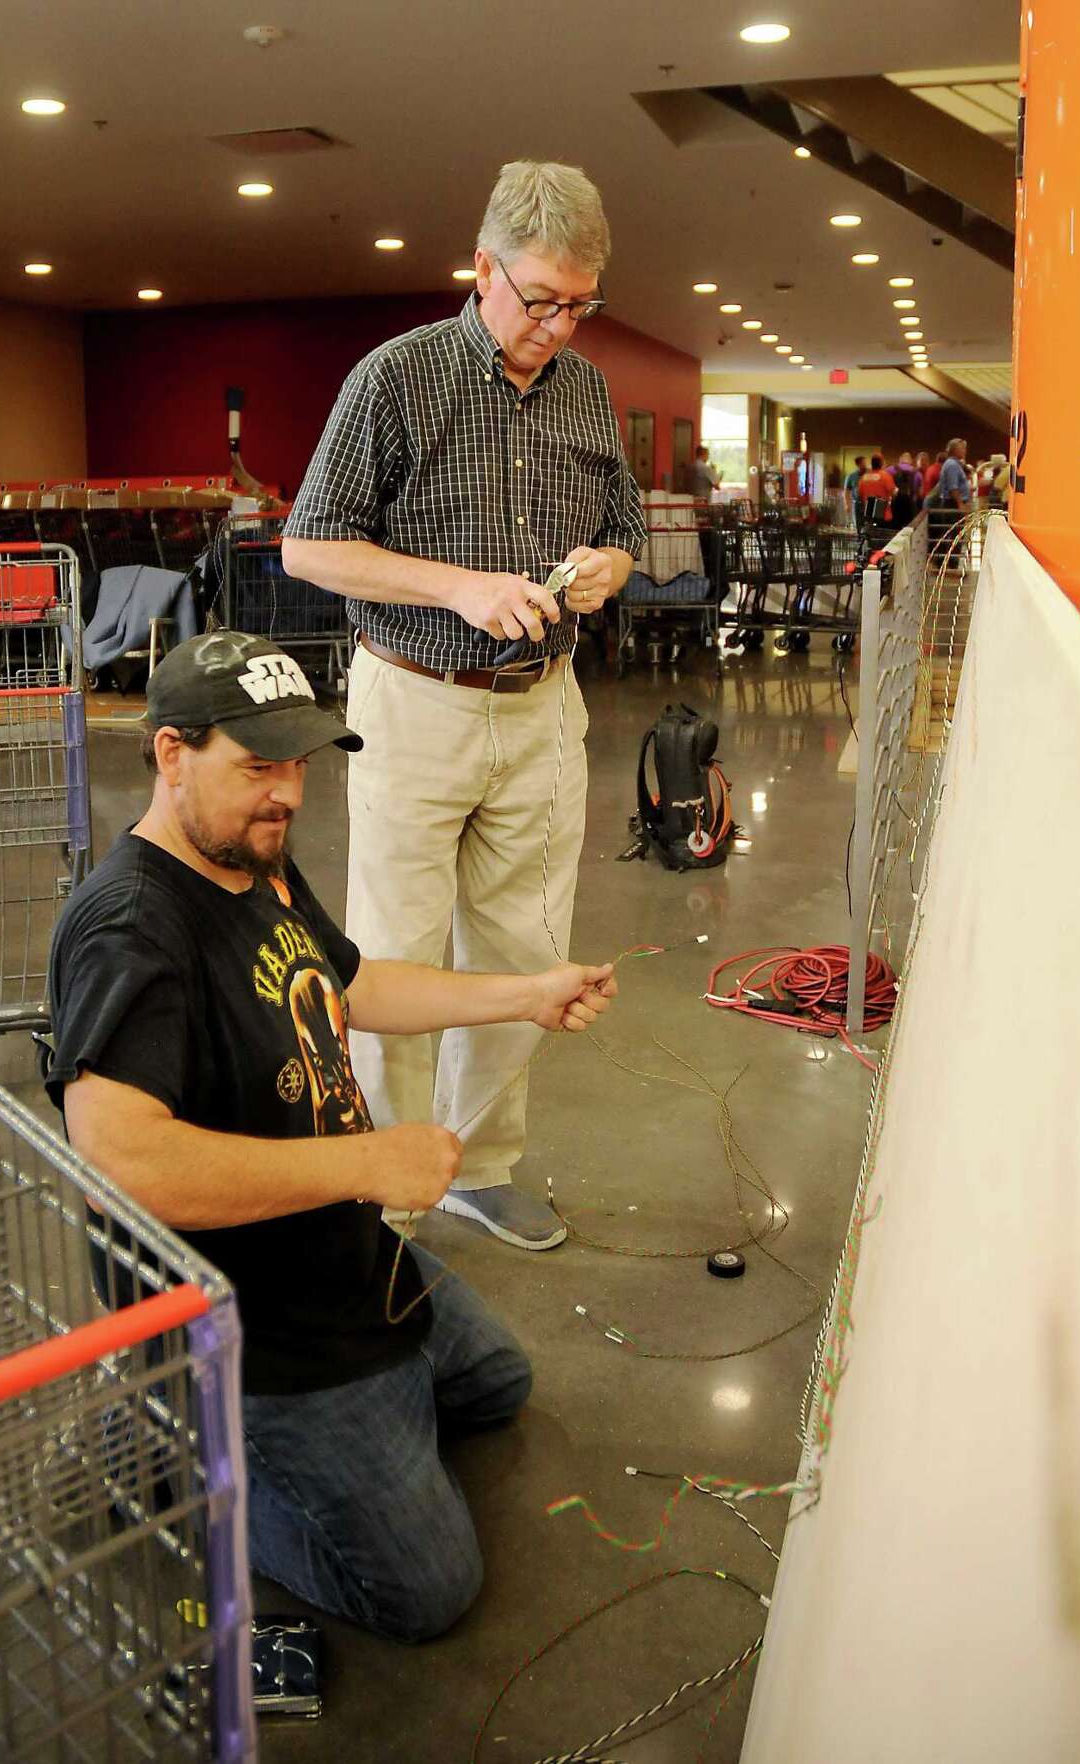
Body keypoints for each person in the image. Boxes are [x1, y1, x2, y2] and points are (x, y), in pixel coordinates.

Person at [45, 630, 618, 1642]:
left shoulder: (252, 858)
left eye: (299, 766)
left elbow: (349, 986)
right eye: (259, 767)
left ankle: (317, 1437)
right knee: (428, 1590)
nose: (290, 795)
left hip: (340, 1258)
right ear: (171, 754)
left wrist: (524, 994)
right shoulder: (128, 928)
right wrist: (368, 1161)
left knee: (497, 1385)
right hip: (247, 1318)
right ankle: (183, 1433)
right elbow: (122, 1164)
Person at [282, 161, 646, 1252]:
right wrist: (459, 585)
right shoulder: (394, 379)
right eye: (541, 300)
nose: (560, 327)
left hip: (544, 706)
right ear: (483, 270)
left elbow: (625, 526)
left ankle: (480, 1165)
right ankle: (393, 1180)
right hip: (418, 699)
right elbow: (308, 545)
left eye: (581, 306)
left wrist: (605, 569)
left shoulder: (585, 390)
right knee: (396, 946)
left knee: (521, 949)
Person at [934, 437, 973, 517]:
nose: (965, 451)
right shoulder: (952, 465)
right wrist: (960, 504)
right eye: (962, 448)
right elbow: (953, 488)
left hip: (955, 503)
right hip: (953, 504)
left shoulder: (955, 464)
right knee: (955, 529)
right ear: (954, 450)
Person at [855, 453, 896, 524]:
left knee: (871, 533)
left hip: (868, 515)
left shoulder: (864, 477)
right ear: (881, 463)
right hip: (884, 514)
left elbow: (860, 494)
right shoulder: (886, 476)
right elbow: (893, 493)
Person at [844, 455, 867, 524]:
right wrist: (847, 504)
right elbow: (846, 491)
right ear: (858, 464)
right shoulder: (851, 476)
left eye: (865, 463)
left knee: (868, 523)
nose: (865, 465)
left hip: (869, 502)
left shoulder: (870, 474)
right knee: (857, 523)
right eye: (863, 463)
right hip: (857, 503)